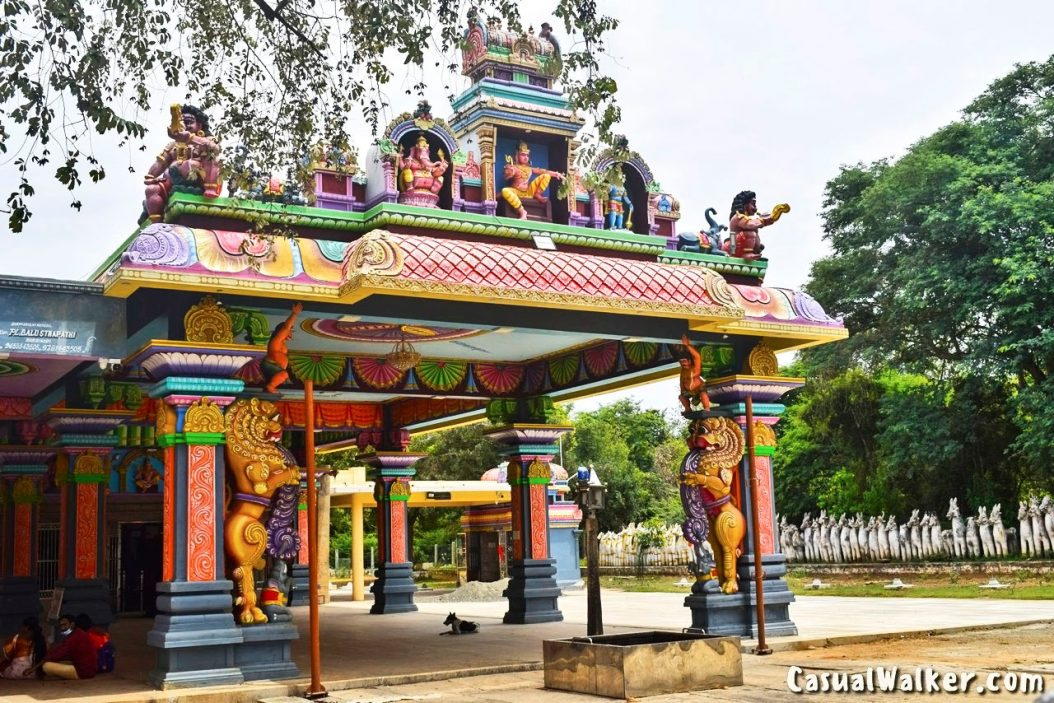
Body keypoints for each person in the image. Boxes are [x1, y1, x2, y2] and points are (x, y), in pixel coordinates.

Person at [39, 613, 99, 680]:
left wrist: (35, 667)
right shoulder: (78, 633)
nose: (62, 628)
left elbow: (58, 654)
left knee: (46, 666)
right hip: (88, 670)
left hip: (83, 673)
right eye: (61, 625)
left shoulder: (74, 637)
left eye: (65, 625)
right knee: (56, 662)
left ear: (72, 624)